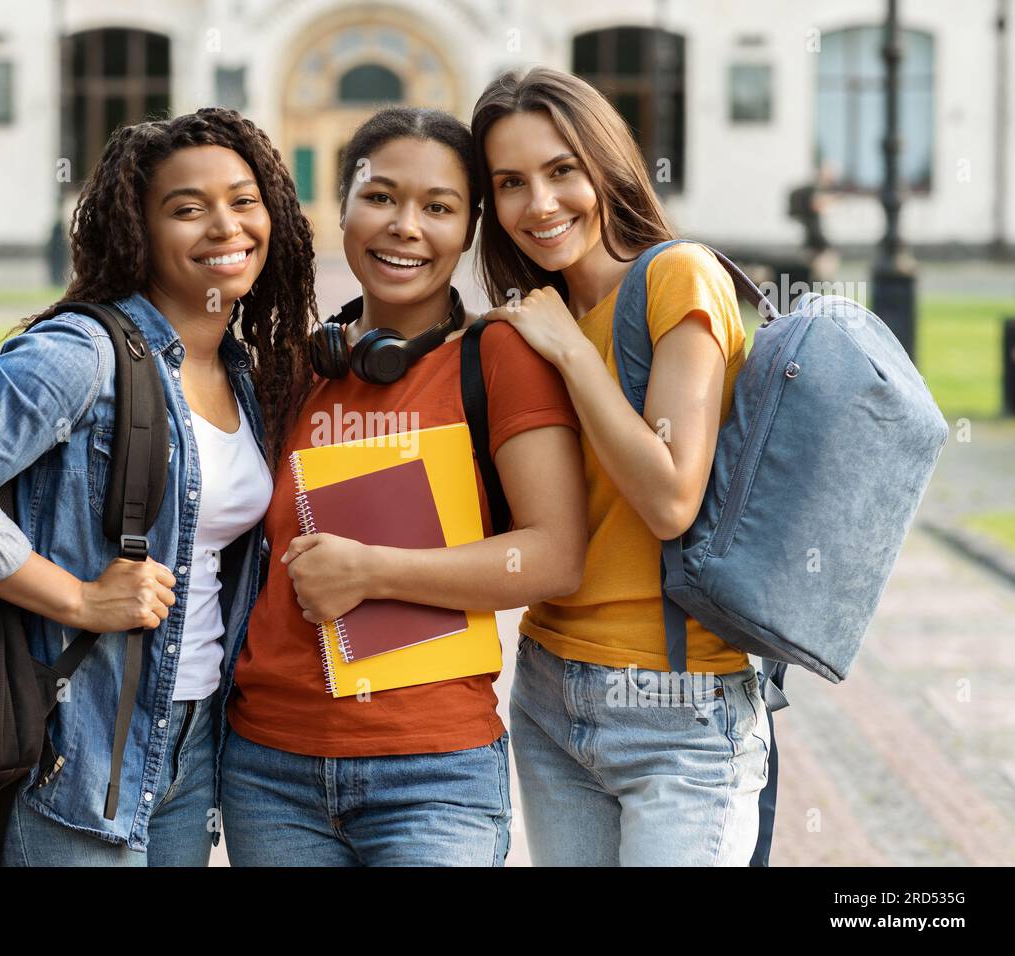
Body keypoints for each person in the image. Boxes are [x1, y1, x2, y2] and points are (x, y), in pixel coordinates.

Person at [0, 108, 316, 866]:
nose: (225, 226)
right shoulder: (81, 353)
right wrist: (78, 599)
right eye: (187, 208)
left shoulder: (241, 371)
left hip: (193, 740)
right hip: (74, 746)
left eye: (244, 201)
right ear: (138, 230)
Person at [221, 106, 587, 867]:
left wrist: (372, 571)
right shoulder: (288, 370)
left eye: (438, 207)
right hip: (268, 768)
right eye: (381, 196)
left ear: (470, 227)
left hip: (434, 772)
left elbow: (554, 558)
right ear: (344, 205)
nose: (404, 226)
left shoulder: (501, 359)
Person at [474, 67, 771, 866]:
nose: (539, 204)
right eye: (510, 183)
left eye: (562, 170)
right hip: (547, 691)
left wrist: (572, 356)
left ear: (606, 162)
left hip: (678, 705)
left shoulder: (679, 277)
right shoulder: (545, 318)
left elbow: (671, 496)